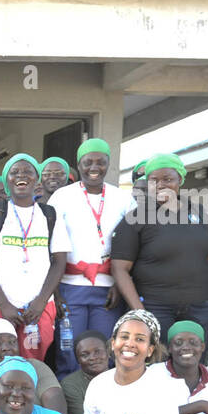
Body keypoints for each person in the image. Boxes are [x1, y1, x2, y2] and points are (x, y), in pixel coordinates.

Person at [109, 153, 208, 352]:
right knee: (158, 363)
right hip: (156, 308)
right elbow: (120, 268)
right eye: (154, 180)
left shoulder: (198, 213)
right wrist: (140, 312)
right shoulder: (135, 218)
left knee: (194, 362)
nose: (160, 184)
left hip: (200, 307)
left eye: (168, 179)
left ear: (180, 180)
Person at [0, 153, 70, 362]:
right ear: (7, 180)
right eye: (14, 172)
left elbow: (59, 261)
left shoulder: (50, 215)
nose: (21, 175)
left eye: (27, 171)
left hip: (38, 307)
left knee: (32, 362)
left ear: (37, 179)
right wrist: (4, 304)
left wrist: (41, 301)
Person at [50, 139, 135, 376]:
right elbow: (51, 247)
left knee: (105, 352)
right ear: (79, 165)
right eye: (88, 162)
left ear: (109, 164)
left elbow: (131, 245)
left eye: (101, 162)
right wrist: (55, 293)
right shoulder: (61, 196)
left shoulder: (124, 199)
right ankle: (72, 404)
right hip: (70, 286)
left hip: (109, 289)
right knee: (69, 351)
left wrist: (119, 284)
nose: (94, 167)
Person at [59, 330, 108, 414]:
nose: (93, 358)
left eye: (97, 351)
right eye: (85, 355)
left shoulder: (123, 376)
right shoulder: (70, 384)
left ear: (108, 352)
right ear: (77, 360)